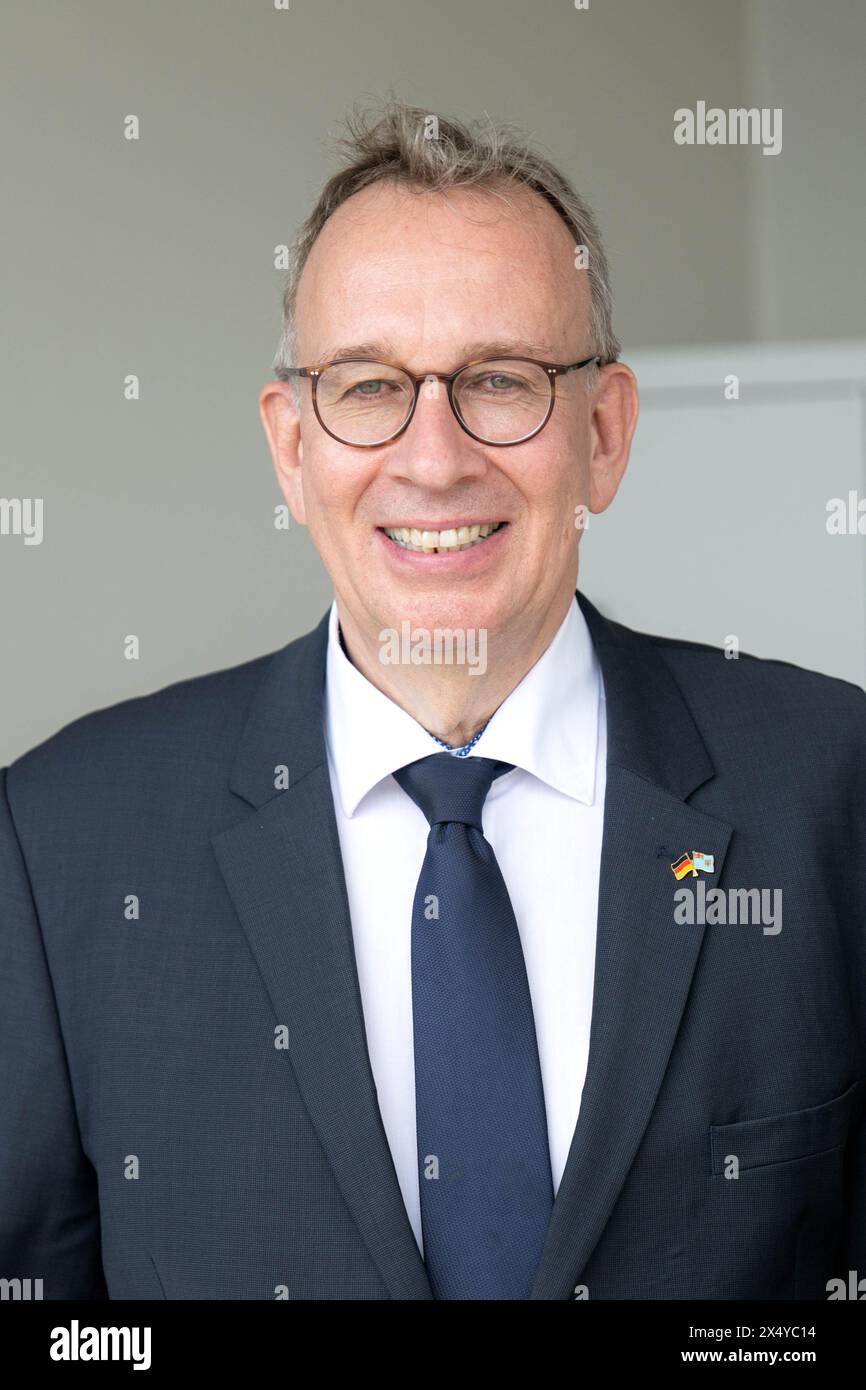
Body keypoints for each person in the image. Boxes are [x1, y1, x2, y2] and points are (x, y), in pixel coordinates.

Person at [1, 100, 863, 1301]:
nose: (434, 455)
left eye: (500, 381)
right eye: (366, 388)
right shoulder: (60, 842)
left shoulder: (831, 789)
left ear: (603, 436)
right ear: (291, 448)